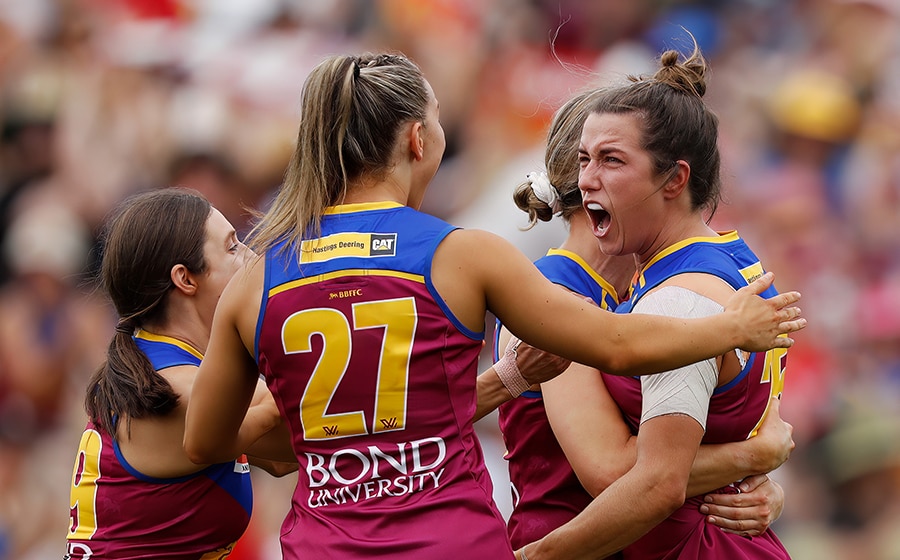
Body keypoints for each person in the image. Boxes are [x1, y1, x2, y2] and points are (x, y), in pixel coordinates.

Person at [182, 52, 805, 559]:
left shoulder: (261, 277)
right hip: (457, 541)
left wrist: (319, 445)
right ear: (420, 139)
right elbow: (620, 381)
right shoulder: (467, 257)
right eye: (591, 160)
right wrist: (739, 375)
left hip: (325, 544)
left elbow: (211, 442)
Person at [520, 42, 795, 559]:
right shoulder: (729, 263)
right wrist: (751, 458)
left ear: (674, 178)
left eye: (611, 160)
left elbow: (650, 480)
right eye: (585, 160)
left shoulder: (678, 298)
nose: (588, 179)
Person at [64, 188, 294, 560]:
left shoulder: (160, 366)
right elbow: (295, 406)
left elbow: (284, 457)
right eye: (233, 246)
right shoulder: (175, 389)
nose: (252, 258)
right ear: (185, 279)